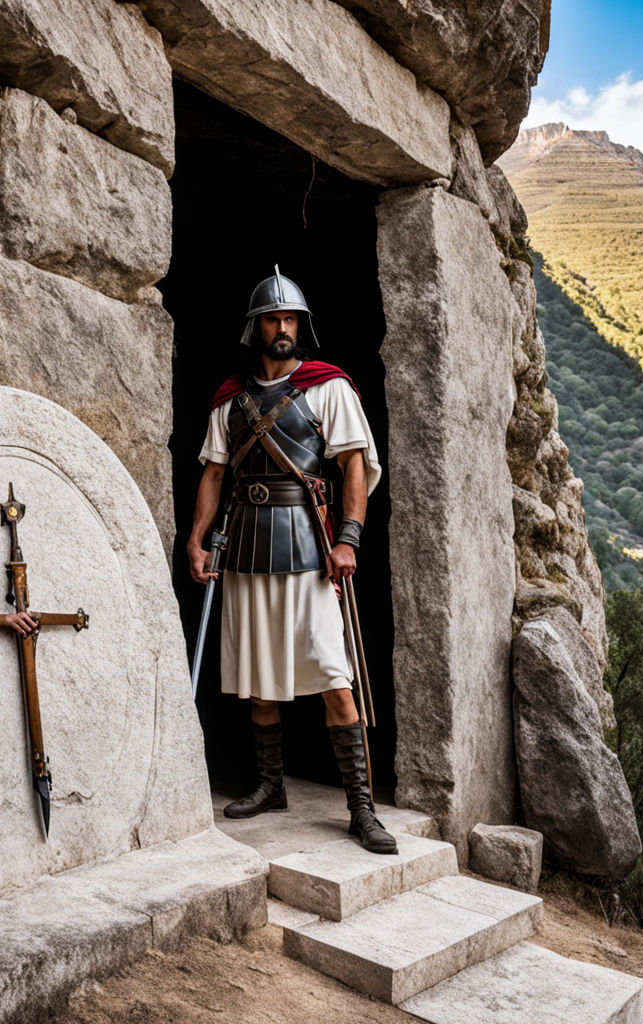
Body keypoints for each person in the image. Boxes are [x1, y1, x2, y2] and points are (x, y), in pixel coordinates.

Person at [187, 267, 397, 855]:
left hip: (309, 547)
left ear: (301, 326)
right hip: (245, 545)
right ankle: (271, 785)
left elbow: (355, 464)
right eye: (273, 320)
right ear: (255, 328)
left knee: (333, 675)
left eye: (292, 320)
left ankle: (361, 807)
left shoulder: (329, 387)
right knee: (259, 678)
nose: (283, 329)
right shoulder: (231, 401)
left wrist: (349, 538)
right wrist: (197, 539)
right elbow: (214, 472)